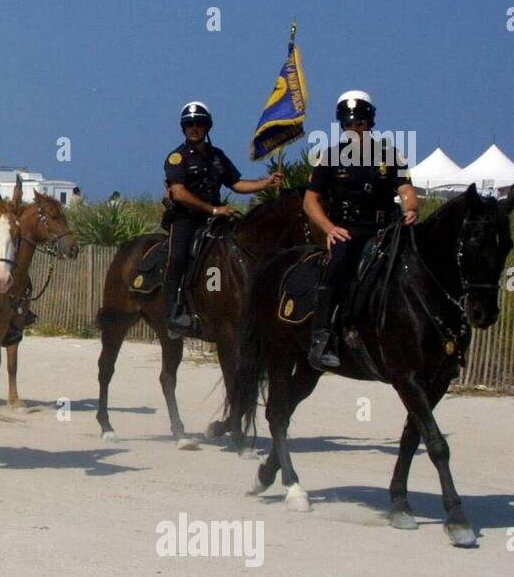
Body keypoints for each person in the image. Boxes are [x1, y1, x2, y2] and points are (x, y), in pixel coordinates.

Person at [304, 90, 419, 370]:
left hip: (385, 228)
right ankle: (323, 338)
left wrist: (412, 209)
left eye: (361, 123)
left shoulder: (390, 155)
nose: (355, 129)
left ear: (370, 122)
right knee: (337, 269)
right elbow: (310, 200)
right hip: (349, 230)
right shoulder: (329, 156)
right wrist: (329, 228)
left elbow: (405, 189)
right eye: (349, 124)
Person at [161, 101, 281, 335]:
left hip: (216, 218)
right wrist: (213, 209)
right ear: (183, 128)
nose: (194, 128)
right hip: (187, 218)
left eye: (198, 124)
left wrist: (264, 183)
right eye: (189, 125)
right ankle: (173, 311)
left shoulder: (218, 156)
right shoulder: (178, 157)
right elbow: (179, 192)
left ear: (207, 127)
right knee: (177, 257)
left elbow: (235, 183)